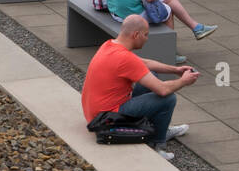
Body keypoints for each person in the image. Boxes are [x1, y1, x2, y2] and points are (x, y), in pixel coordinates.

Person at [80, 15, 199, 160]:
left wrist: (175, 70)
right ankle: (157, 144)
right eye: (146, 35)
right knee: (167, 98)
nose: (147, 38)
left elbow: (146, 64)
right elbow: (163, 89)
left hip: (94, 113)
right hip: (106, 119)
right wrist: (184, 81)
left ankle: (159, 128)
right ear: (136, 35)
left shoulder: (110, 45)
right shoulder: (125, 59)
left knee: (151, 74)